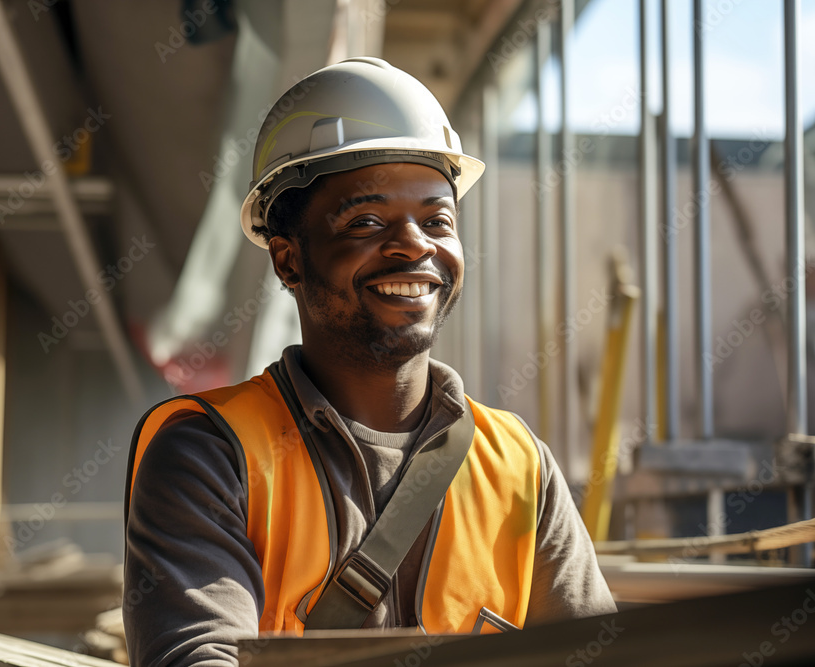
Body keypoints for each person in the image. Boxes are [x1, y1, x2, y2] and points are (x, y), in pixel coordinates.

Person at [123, 57, 616, 667]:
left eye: (438, 219)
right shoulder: (212, 454)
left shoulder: (519, 468)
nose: (415, 244)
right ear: (289, 260)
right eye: (367, 220)